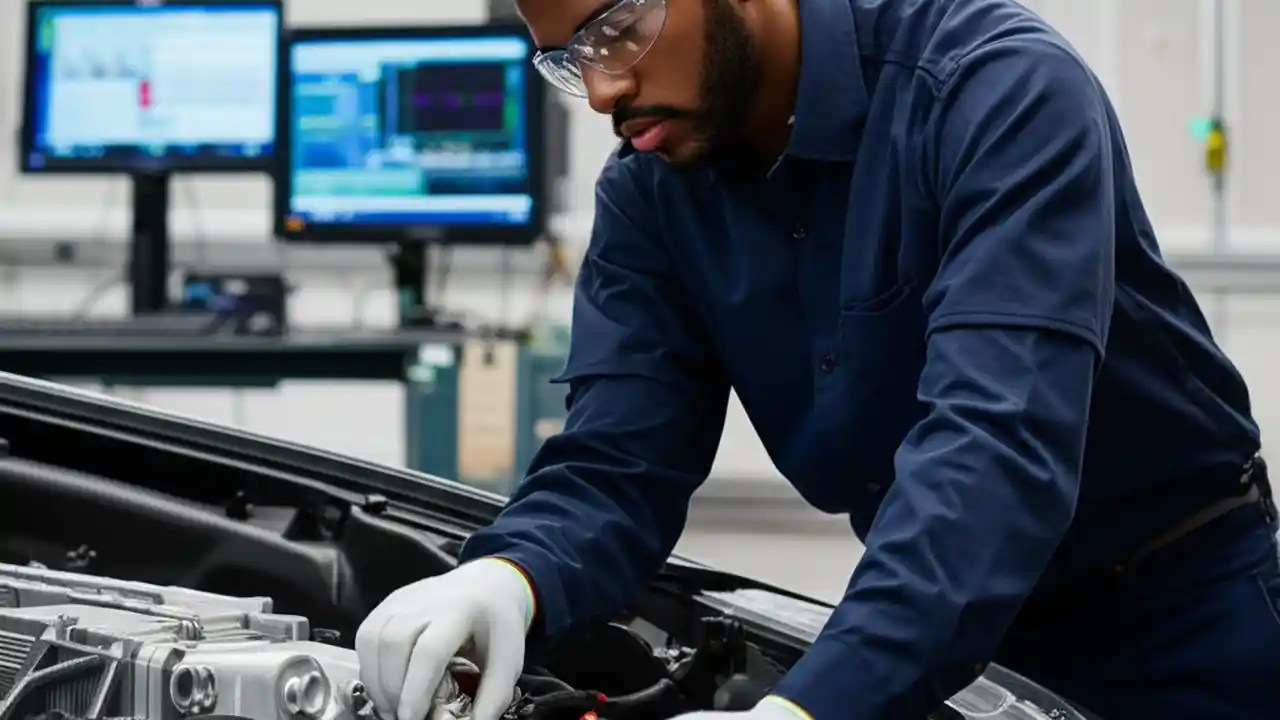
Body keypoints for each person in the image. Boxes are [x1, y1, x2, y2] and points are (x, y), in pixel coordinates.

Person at [355, 0, 1280, 718]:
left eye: (616, 30)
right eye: (566, 59)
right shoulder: (650, 193)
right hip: (951, 633)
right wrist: (509, 577)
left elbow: (995, 453)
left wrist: (807, 707)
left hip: (1179, 619)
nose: (601, 93)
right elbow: (616, 463)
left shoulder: (994, 89)